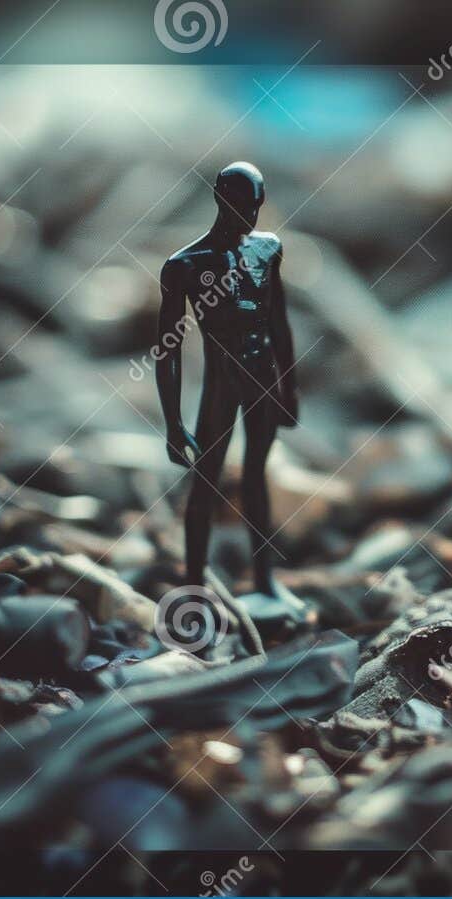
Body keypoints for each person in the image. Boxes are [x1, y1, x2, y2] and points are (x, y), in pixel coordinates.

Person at [155, 161, 305, 618]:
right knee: (206, 483)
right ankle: (194, 590)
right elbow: (169, 350)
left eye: (255, 207)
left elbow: (279, 322)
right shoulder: (184, 265)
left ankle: (264, 581)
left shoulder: (268, 250)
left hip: (263, 378)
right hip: (222, 383)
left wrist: (289, 387)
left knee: (257, 475)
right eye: (242, 206)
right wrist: (173, 423)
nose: (250, 217)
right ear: (222, 201)